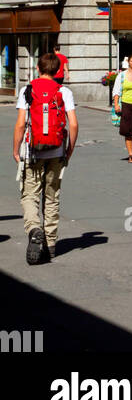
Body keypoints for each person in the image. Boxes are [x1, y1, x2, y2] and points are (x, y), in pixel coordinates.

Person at [13, 53, 78, 264]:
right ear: (58, 70)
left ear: (38, 69)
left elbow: (21, 124)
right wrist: (69, 149)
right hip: (57, 151)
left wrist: (16, 150)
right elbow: (74, 124)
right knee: (51, 197)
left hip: (32, 151)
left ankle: (33, 229)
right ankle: (50, 245)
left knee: (29, 194)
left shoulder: (27, 89)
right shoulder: (63, 91)